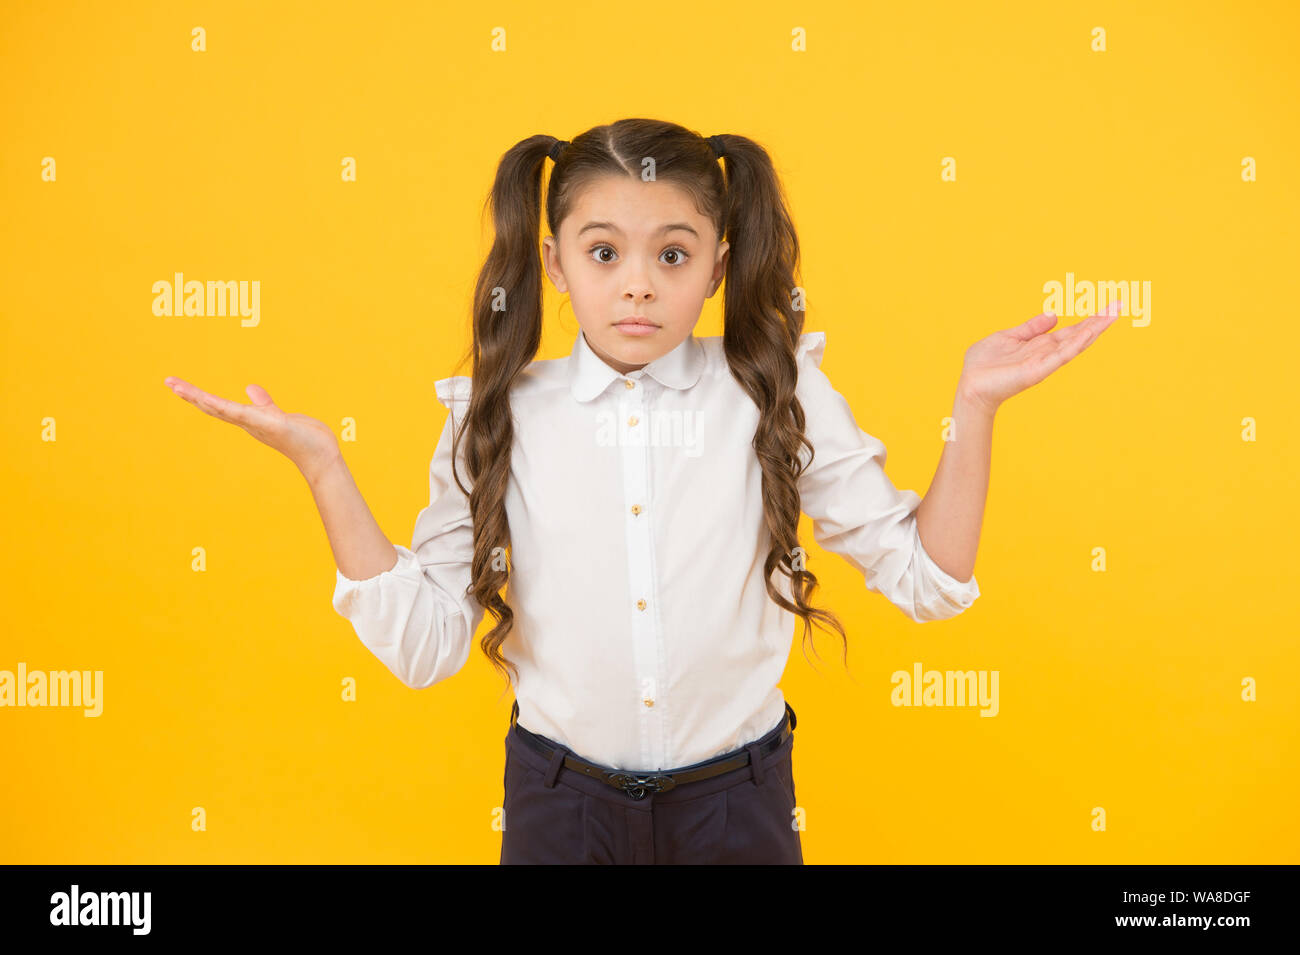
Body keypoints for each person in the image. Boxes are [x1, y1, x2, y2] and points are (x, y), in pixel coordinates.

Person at [163, 118, 1119, 864]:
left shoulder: (772, 387)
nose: (636, 287)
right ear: (555, 266)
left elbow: (926, 578)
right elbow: (424, 647)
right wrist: (326, 468)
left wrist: (976, 406)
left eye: (672, 254)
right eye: (603, 251)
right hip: (557, 810)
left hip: (736, 808)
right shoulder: (496, 414)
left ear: (714, 268)